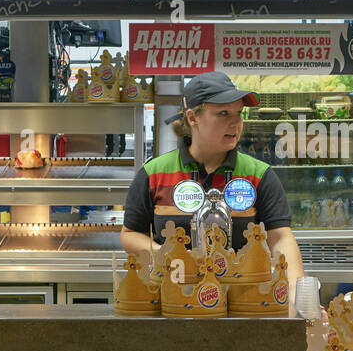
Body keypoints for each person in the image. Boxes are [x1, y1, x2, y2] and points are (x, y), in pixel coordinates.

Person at [121, 72, 305, 309]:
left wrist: (297, 297)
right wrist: (165, 254)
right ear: (193, 117)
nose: (236, 123)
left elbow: (280, 239)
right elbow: (130, 234)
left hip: (244, 307)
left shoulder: (259, 175)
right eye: (223, 113)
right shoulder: (154, 173)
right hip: (176, 305)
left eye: (239, 113)